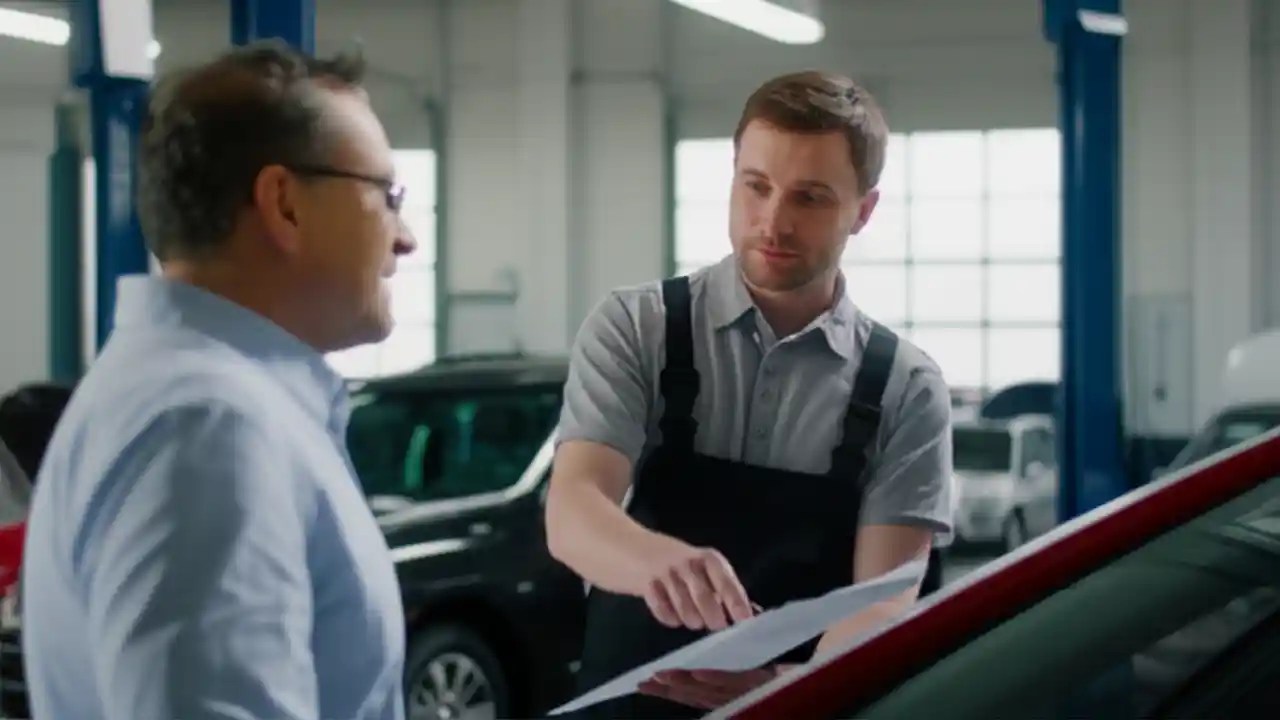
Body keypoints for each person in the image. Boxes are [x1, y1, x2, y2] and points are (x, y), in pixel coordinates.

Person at [21, 40, 416, 720]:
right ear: (283, 204)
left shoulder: (194, 398)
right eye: (385, 195)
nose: (405, 237)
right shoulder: (208, 425)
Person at [545, 70, 955, 718]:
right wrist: (658, 562)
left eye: (810, 198)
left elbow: (884, 597)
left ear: (864, 210)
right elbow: (574, 509)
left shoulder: (908, 391)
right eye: (756, 187)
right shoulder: (638, 328)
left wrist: (790, 685)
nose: (773, 222)